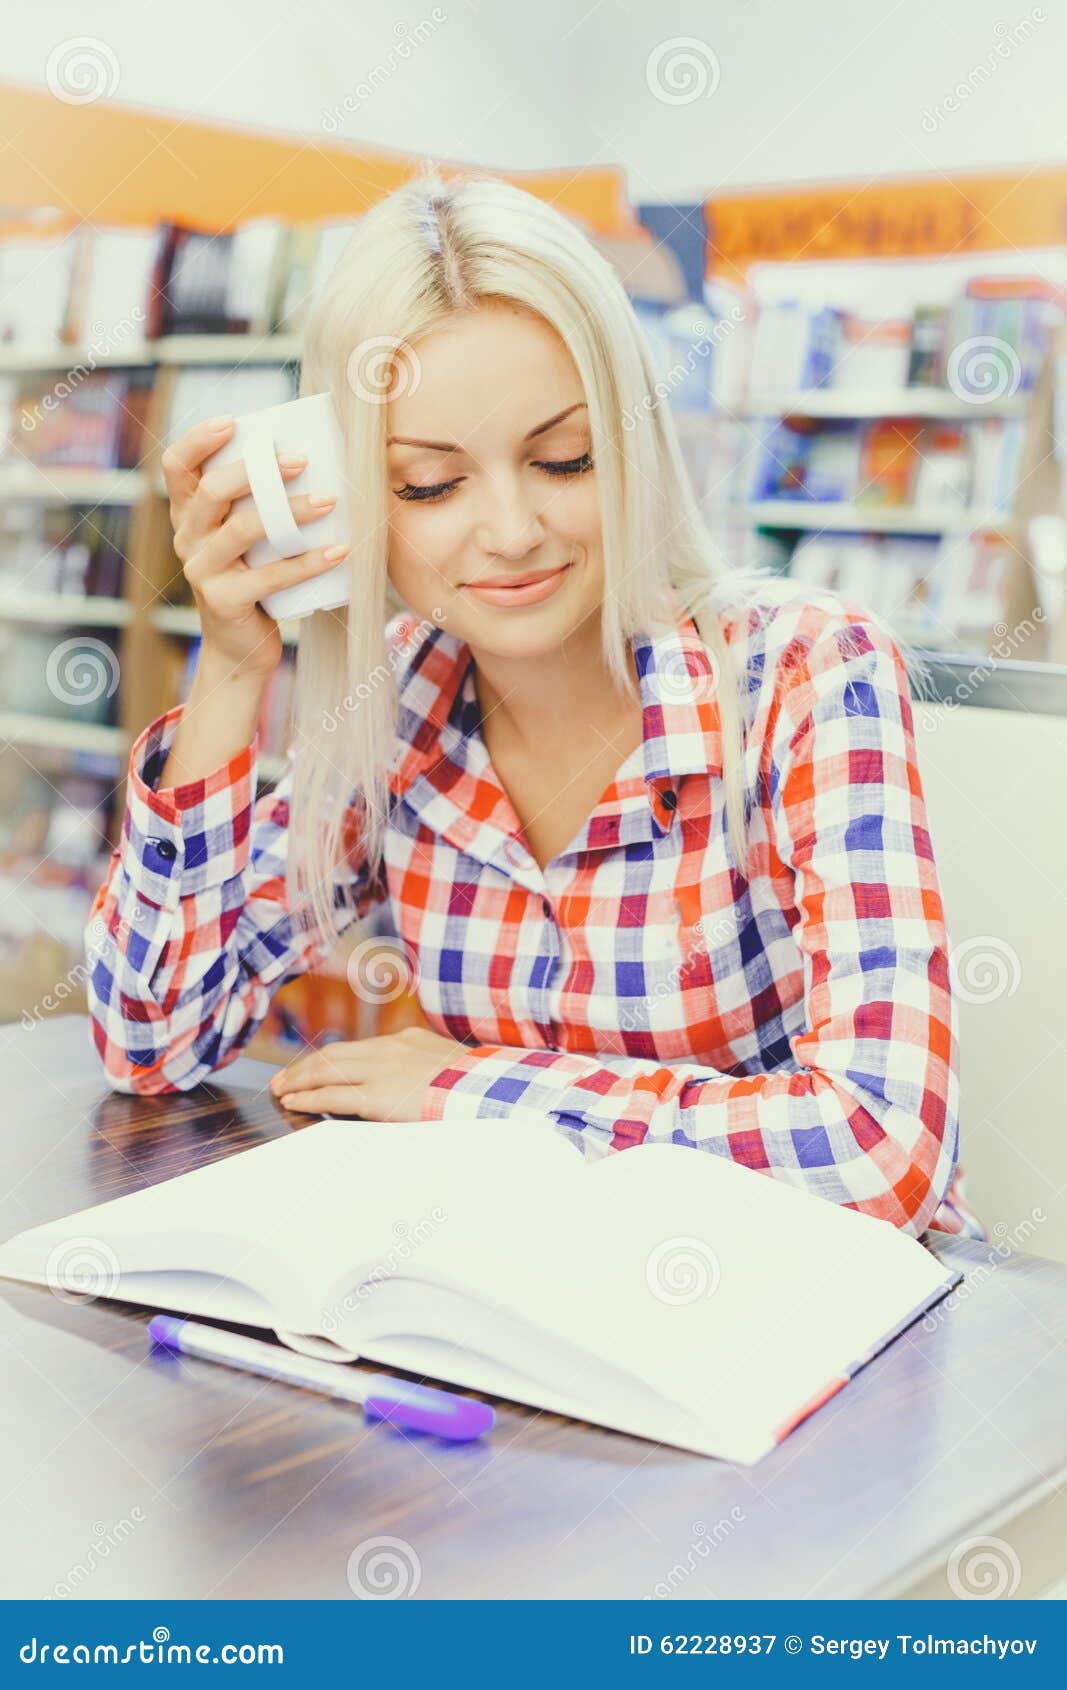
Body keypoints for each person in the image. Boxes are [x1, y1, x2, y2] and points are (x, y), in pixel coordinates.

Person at [85, 167, 983, 1241]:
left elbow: (877, 1149)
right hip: (534, 1301)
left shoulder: (806, 674)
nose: (509, 530)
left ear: (631, 442)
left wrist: (470, 1091)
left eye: (563, 458)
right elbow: (155, 1039)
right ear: (358, 495)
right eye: (428, 483)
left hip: (803, 1328)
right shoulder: (405, 696)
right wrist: (231, 668)